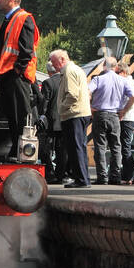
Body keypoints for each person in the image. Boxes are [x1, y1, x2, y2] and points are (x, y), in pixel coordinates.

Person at [0, 0, 40, 162]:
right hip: (6, 75)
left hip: (16, 76)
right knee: (11, 116)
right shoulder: (9, 20)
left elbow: (27, 50)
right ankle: (15, 151)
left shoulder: (24, 19)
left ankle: (24, 152)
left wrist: (18, 70)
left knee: (20, 116)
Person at [49, 49, 91, 187]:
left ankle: (81, 180)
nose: (52, 65)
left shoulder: (69, 71)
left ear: (62, 59)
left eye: (54, 62)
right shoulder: (76, 69)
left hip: (74, 114)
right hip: (80, 113)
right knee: (80, 147)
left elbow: (72, 95)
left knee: (75, 148)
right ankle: (83, 178)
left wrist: (61, 108)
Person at [88, 55, 128, 185]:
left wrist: (90, 107)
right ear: (116, 67)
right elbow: (132, 96)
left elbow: (87, 92)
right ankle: (115, 177)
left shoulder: (98, 79)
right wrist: (124, 110)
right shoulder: (122, 81)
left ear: (104, 66)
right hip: (115, 116)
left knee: (100, 146)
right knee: (116, 146)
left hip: (100, 115)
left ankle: (102, 177)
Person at [115, 59, 134, 185]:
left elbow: (132, 98)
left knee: (125, 147)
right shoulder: (130, 82)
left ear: (124, 72)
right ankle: (131, 175)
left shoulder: (127, 82)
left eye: (117, 73)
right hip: (129, 118)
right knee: (125, 146)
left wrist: (123, 111)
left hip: (127, 118)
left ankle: (128, 176)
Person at [41, 66, 65, 184]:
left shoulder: (47, 82)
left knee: (45, 148)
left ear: (48, 71)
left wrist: (41, 115)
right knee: (62, 150)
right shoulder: (65, 81)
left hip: (51, 121)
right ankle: (61, 175)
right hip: (64, 119)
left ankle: (49, 173)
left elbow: (44, 102)